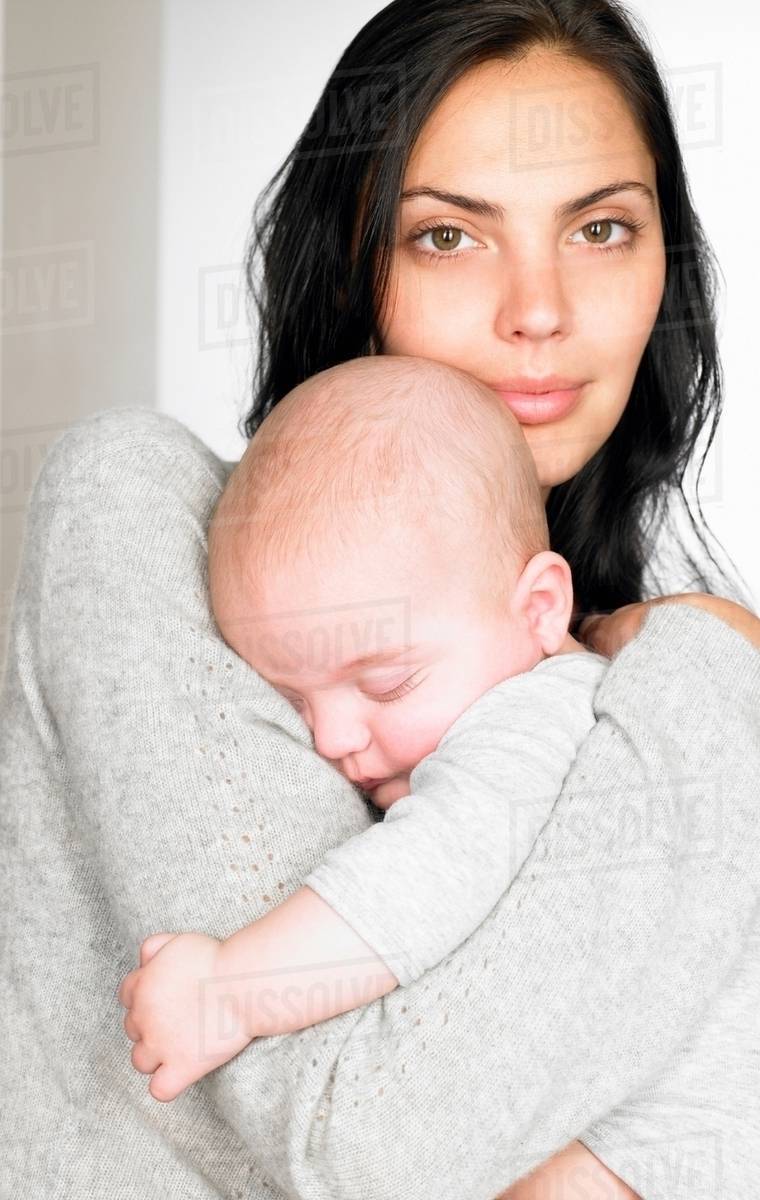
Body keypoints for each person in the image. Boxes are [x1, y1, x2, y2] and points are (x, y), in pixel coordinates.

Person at [2, 2, 759, 1198]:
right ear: (351, 255)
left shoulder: (638, 679)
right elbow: (364, 1141)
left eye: (602, 227)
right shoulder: (144, 513)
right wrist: (721, 675)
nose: (539, 309)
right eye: (449, 238)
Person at [117, 354, 753, 1122]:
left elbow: (425, 877)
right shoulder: (472, 688)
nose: (331, 737)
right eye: (287, 697)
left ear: (541, 608)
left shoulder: (542, 715)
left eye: (386, 683)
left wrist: (232, 991)